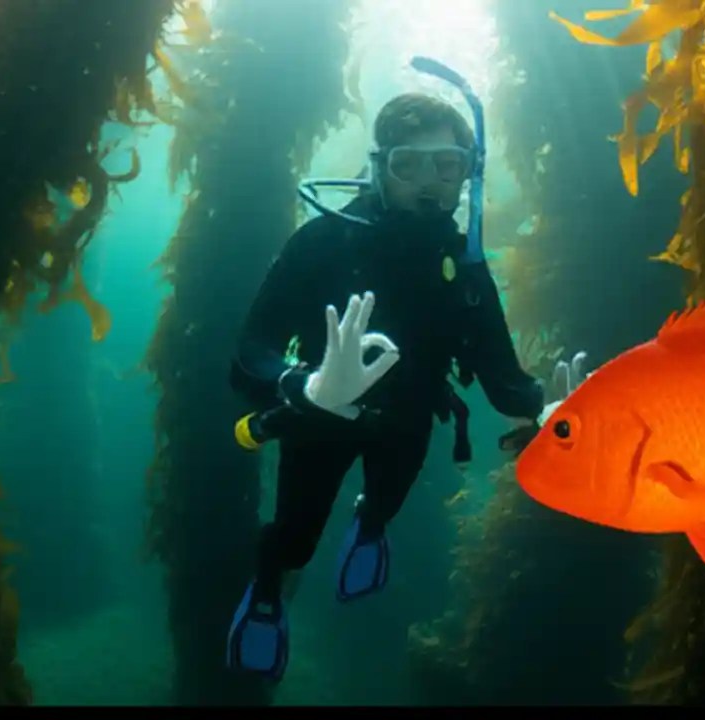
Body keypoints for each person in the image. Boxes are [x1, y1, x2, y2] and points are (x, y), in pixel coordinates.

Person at [225, 91, 576, 680]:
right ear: (379, 164)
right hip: (318, 421)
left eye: (448, 165)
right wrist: (302, 386)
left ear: (469, 172)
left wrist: (555, 406)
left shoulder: (463, 267)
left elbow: (503, 379)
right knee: (295, 536)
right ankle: (269, 585)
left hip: (408, 424)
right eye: (408, 164)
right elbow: (247, 355)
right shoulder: (321, 244)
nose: (429, 184)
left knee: (386, 502)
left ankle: (370, 521)